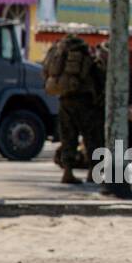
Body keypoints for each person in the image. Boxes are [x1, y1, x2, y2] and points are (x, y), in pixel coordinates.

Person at [43, 34, 105, 185]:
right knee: (91, 137)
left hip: (65, 100)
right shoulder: (87, 58)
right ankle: (93, 172)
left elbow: (46, 74)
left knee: (68, 137)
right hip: (85, 102)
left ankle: (67, 172)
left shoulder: (60, 58)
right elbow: (98, 79)